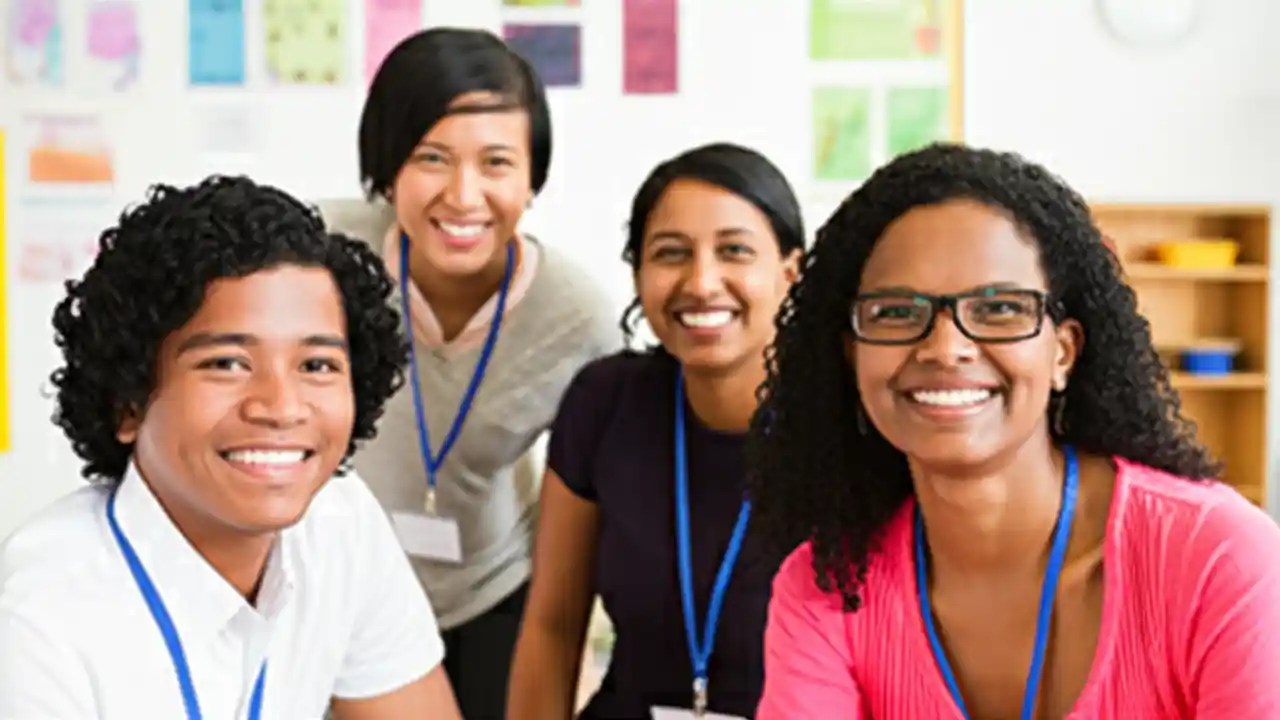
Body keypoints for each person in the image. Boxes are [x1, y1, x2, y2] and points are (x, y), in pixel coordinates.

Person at [748, 143, 1280, 718]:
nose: (945, 348)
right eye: (897, 312)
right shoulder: (827, 585)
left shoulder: (1221, 559)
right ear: (852, 356)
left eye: (999, 309)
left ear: (1063, 353)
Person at [0, 176, 462, 718]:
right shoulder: (34, 619)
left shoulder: (342, 521)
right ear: (128, 401)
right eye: (226, 364)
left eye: (316, 365)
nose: (281, 406)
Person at [323, 27, 617, 718]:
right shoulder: (323, 257)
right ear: (388, 165)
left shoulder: (576, 318)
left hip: (493, 591)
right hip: (347, 588)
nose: (463, 195)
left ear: (531, 178)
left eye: (495, 162)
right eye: (432, 157)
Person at [508, 142, 804, 719]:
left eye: (734, 251)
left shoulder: (854, 425)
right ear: (639, 273)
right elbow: (552, 626)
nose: (701, 282)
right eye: (671, 254)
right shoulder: (605, 402)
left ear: (789, 275)